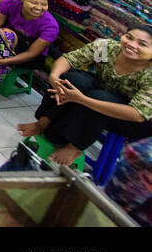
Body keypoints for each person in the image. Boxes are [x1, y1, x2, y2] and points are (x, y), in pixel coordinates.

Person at [17, 26, 152, 167]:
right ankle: (43, 123)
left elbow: (137, 114)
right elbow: (68, 60)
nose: (131, 44)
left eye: (142, 44)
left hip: (134, 119)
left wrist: (82, 99)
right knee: (72, 80)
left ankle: (75, 147)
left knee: (98, 97)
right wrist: (54, 77)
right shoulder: (106, 48)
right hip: (104, 89)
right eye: (129, 37)